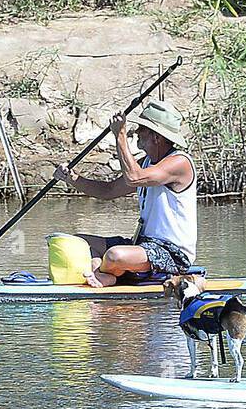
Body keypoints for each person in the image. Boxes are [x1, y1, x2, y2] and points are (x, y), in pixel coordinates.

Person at [53, 100, 196, 287]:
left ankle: (105, 273)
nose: (136, 132)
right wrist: (72, 178)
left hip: (172, 254)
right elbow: (108, 191)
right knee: (79, 242)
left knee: (115, 255)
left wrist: (120, 135)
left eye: (142, 128)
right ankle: (103, 274)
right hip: (143, 245)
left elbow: (134, 178)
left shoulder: (179, 163)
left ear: (156, 137)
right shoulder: (146, 162)